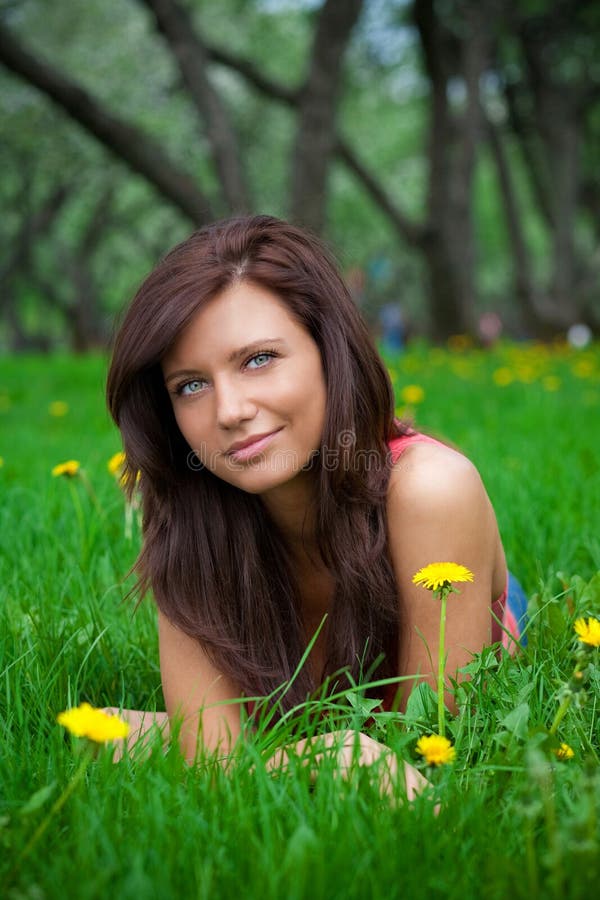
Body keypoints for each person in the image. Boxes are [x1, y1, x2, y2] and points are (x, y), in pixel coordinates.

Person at [104, 215, 523, 790]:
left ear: (330, 351)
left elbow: (431, 753)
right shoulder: (190, 513)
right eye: (191, 385)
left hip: (461, 582)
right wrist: (332, 753)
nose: (229, 411)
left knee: (126, 738)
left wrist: (259, 749)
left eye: (258, 359)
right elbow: (211, 764)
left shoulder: (431, 492)